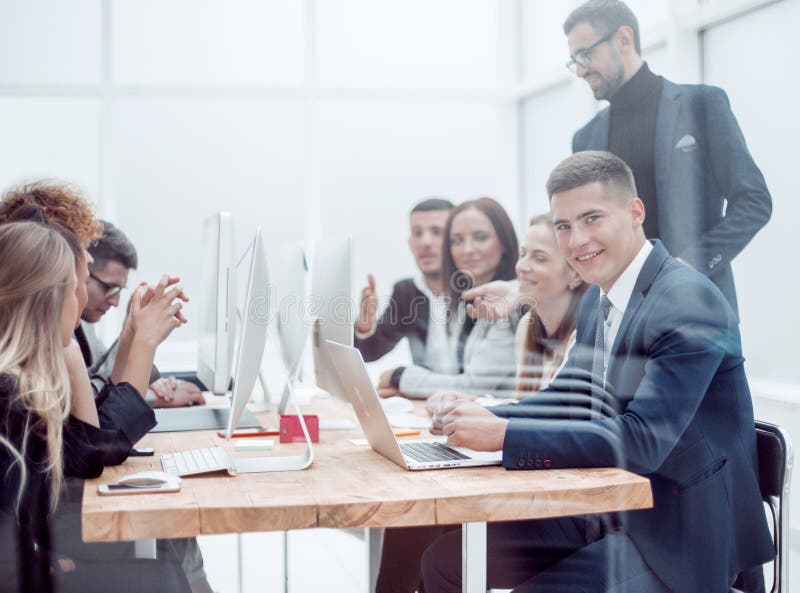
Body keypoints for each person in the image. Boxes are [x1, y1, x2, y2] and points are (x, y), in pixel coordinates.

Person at [420, 151, 773, 593]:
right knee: (445, 561)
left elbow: (643, 440)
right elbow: (573, 395)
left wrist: (504, 435)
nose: (577, 240)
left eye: (591, 218)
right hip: (613, 505)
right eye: (564, 226)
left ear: (635, 212)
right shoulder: (598, 298)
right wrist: (481, 414)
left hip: (680, 532)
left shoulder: (687, 301)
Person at [0, 182, 213, 593]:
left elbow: (85, 444)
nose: (82, 299)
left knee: (166, 558)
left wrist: (130, 338)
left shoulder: (24, 379)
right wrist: (138, 343)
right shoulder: (19, 392)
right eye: (78, 283)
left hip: (40, 552)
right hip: (40, 558)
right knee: (165, 565)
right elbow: (91, 452)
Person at [374, 215, 585, 593]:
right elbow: (525, 403)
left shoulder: (580, 333)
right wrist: (473, 405)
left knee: (430, 531)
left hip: (559, 490)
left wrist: (480, 407)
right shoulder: (528, 326)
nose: (523, 266)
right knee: (415, 516)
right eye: (525, 254)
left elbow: (555, 415)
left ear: (575, 274)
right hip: (527, 468)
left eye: (539, 257)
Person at [565, 0, 771, 315]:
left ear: (623, 39)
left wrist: (691, 264)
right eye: (574, 61)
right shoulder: (585, 139)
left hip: (699, 310)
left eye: (585, 55)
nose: (580, 70)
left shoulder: (702, 105)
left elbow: (754, 202)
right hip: (621, 317)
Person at [377, 197, 519, 399]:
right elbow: (458, 379)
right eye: (457, 241)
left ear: (504, 242)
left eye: (480, 237)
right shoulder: (469, 299)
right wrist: (408, 390)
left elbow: (473, 386)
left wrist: (400, 377)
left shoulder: (511, 304)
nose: (467, 249)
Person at [80, 220, 203, 407]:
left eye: (119, 291)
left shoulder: (85, 323)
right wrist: (151, 397)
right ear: (81, 272)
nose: (115, 302)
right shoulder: (62, 329)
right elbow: (87, 401)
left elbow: (105, 376)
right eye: (109, 287)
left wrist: (147, 381)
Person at [355, 198, 454, 380]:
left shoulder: (477, 293)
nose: (425, 242)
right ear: (410, 242)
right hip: (423, 394)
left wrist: (400, 380)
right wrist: (365, 324)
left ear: (456, 240)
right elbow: (370, 353)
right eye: (417, 233)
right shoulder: (406, 292)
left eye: (437, 232)